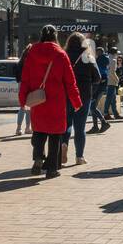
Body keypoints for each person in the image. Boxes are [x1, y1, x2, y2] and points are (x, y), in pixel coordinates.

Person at [19, 25, 81, 178]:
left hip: (38, 100)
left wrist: (22, 99)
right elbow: (70, 81)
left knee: (39, 131)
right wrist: (76, 101)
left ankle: (38, 158)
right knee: (55, 134)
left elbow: (25, 78)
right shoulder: (60, 54)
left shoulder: (32, 52)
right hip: (56, 100)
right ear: (56, 36)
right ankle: (52, 169)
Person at [64, 32, 99, 166]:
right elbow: (97, 77)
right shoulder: (88, 57)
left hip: (67, 94)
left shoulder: (64, 55)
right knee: (80, 127)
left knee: (66, 124)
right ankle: (79, 157)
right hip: (84, 95)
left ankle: (63, 144)